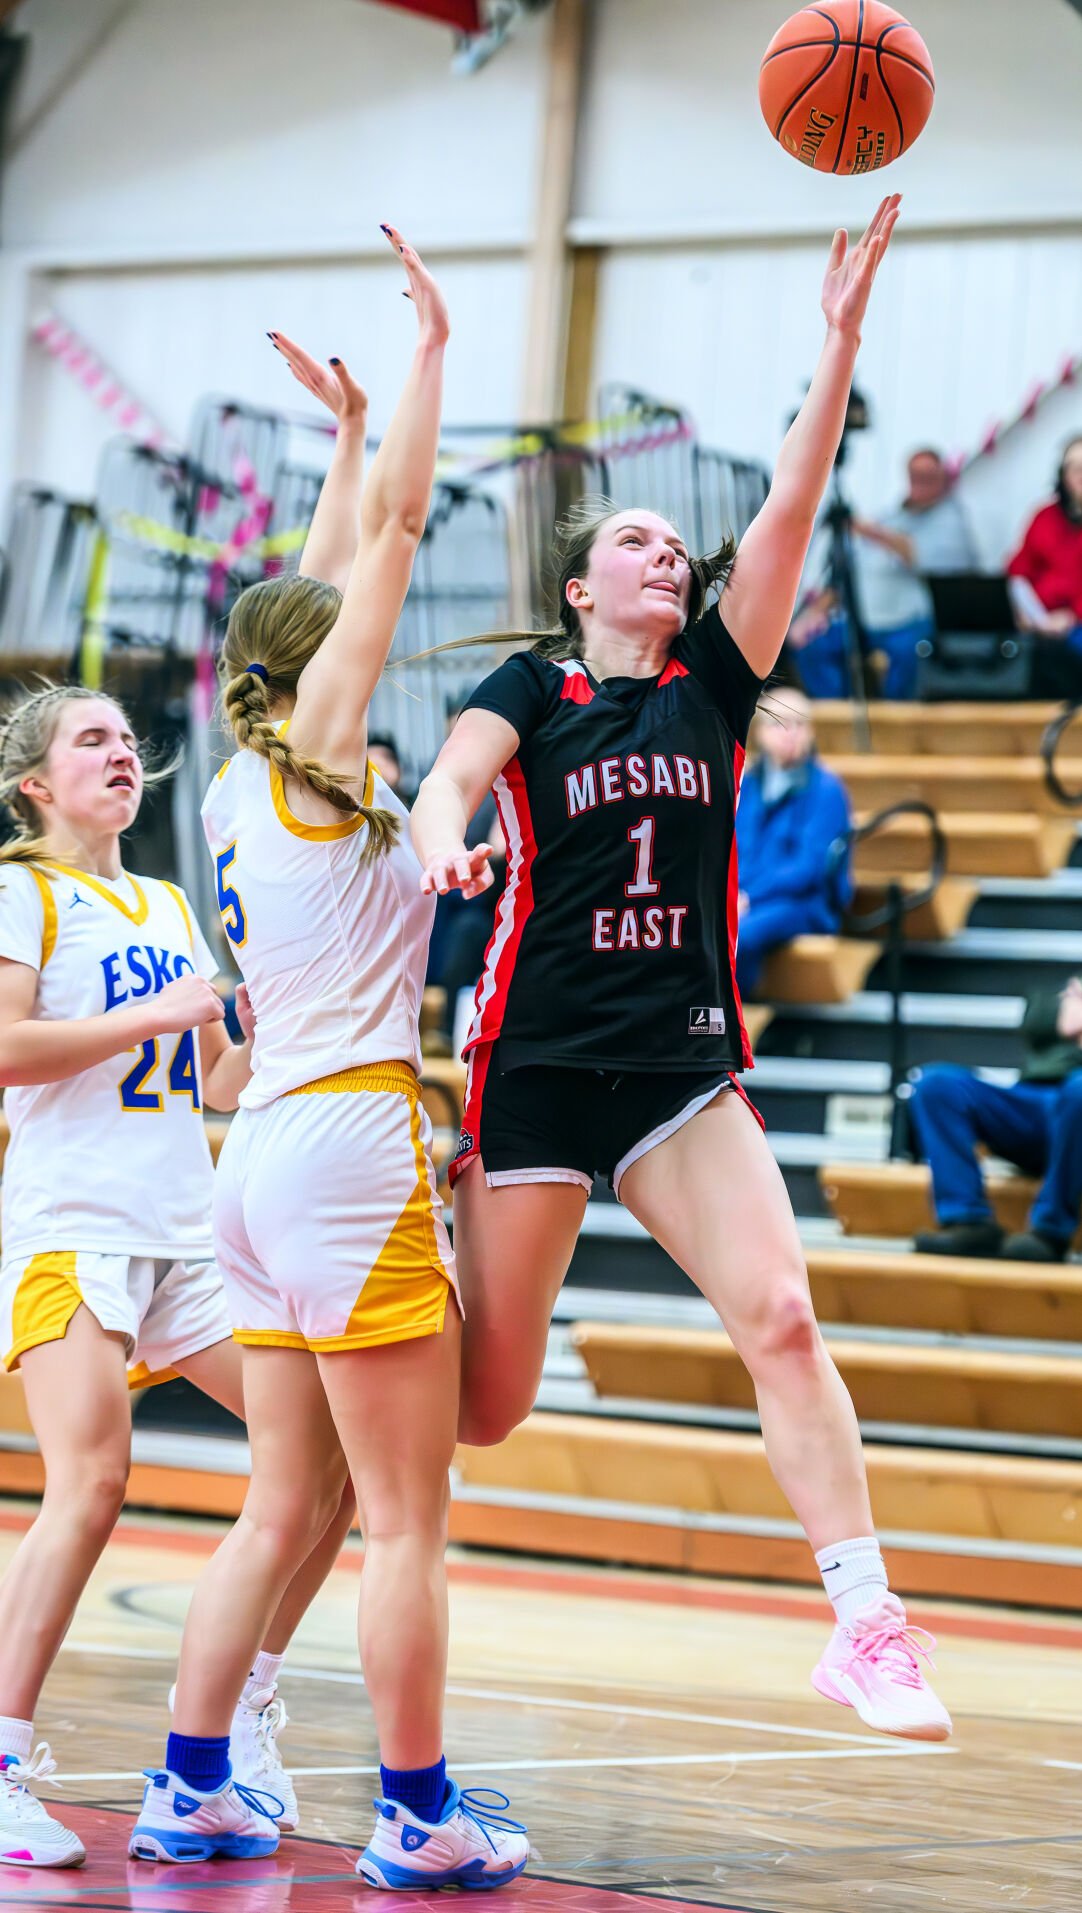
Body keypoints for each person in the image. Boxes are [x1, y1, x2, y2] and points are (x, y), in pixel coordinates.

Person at [411, 196, 951, 1743]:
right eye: (636, 540)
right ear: (583, 585)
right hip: (531, 1066)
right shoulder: (540, 683)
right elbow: (454, 772)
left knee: (780, 1313)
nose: (669, 551)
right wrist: (448, 832)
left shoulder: (717, 682)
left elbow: (786, 505)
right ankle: (324, 1392)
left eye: (673, 542)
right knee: (489, 1411)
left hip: (677, 1063)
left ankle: (864, 1621)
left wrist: (837, 342)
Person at [128, 228, 529, 1886]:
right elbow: (389, 548)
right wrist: (434, 359)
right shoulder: (314, 760)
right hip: (352, 1145)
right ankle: (418, 1808)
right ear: (318, 689)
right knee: (403, 1517)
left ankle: (190, 1778)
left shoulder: (233, 780)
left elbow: (314, 576)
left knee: (280, 1511)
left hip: (259, 1163)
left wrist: (347, 435)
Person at [0, 684, 356, 1870]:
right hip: (70, 1231)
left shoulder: (164, 899)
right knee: (92, 1481)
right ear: (35, 784)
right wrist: (159, 1007)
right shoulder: (23, 887)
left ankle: (240, 1711)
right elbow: (5, 1049)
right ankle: (0, 1759)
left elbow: (216, 1080)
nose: (119, 753)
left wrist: (313, 1014)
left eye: (124, 739)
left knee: (335, 1461)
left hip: (186, 1236)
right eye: (89, 740)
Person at [910, 978, 1082, 1264]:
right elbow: (1039, 1019)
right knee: (936, 1084)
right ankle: (967, 1222)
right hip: (1032, 1101)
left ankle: (1050, 1233)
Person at [789, 447, 980, 699]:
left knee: (910, 653)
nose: (920, 481)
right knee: (814, 646)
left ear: (942, 478)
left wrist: (869, 530)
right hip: (862, 620)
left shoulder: (952, 521)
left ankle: (895, 727)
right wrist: (815, 612)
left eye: (928, 475)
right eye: (915, 474)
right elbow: (847, 572)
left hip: (911, 622)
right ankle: (837, 718)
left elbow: (918, 555)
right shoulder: (890, 516)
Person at [734, 688, 852, 998]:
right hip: (747, 899)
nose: (791, 734)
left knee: (738, 937)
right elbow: (732, 852)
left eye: (800, 724)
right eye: (779, 724)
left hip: (804, 903)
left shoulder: (826, 789)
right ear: (759, 733)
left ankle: (735, 1020)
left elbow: (808, 869)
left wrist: (748, 897)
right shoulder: (746, 784)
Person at [1007, 436, 1082, 695]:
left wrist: (1073, 617)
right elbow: (1018, 571)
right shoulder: (1044, 517)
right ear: (1063, 476)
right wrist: (1024, 613)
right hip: (1039, 624)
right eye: (1076, 468)